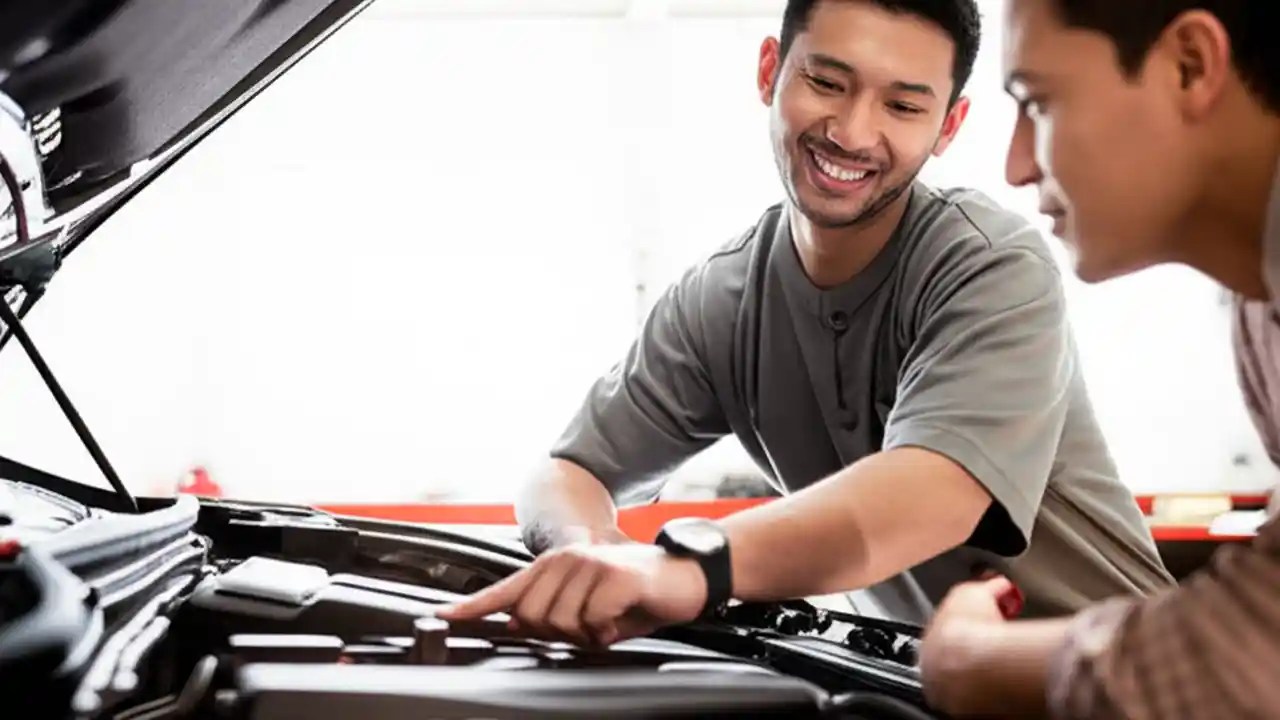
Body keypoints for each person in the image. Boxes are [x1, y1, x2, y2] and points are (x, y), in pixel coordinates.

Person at [438, 0, 1173, 646]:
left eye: (903, 107)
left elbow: (931, 498)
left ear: (948, 127)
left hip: (1136, 684)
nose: (852, 132)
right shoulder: (722, 298)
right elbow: (566, 471)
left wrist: (686, 568)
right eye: (826, 82)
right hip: (929, 685)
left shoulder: (990, 265)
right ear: (771, 71)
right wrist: (588, 550)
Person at [918, 0, 1280, 718]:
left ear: (1190, 66)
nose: (1017, 166)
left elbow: (1256, 652)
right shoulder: (1258, 306)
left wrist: (966, 662)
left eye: (1038, 104)